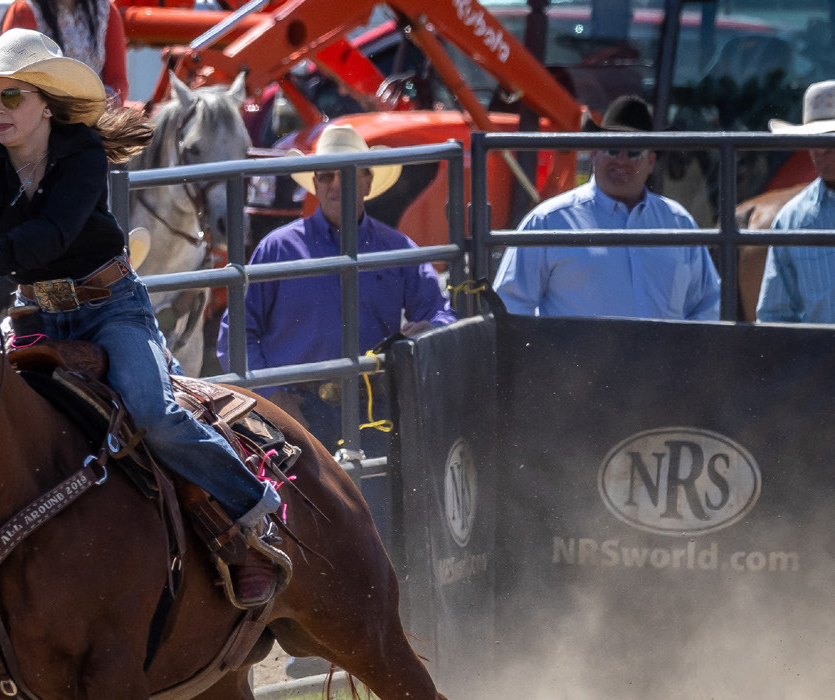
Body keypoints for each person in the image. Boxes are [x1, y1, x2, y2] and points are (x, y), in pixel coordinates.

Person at [0, 29, 289, 605]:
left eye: (12, 97)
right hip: (38, 312)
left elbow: (51, 236)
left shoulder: (82, 153)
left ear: (46, 102)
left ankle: (252, 514)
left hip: (109, 309)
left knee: (152, 410)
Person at [216, 123, 455, 484]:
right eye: (326, 176)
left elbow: (441, 313)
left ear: (367, 182)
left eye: (348, 174)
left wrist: (431, 329)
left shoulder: (398, 247)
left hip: (373, 406)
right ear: (315, 183)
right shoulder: (277, 250)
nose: (335, 185)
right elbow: (235, 333)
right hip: (296, 410)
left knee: (375, 511)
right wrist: (272, 397)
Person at [494, 96, 720, 320]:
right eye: (612, 148)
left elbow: (707, 304)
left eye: (633, 152)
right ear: (595, 153)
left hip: (662, 357)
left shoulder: (679, 223)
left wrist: (687, 353)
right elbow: (510, 303)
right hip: (578, 358)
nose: (621, 159)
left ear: (651, 161)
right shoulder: (547, 222)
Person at [757, 81, 835, 324]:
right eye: (815, 140)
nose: (821, 151)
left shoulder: (793, 218)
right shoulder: (792, 218)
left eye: (831, 141)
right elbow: (774, 316)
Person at [0, 0, 127, 102]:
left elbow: (117, 80)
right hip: (37, 121)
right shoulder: (25, 10)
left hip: (94, 117)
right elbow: (10, 83)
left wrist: (103, 106)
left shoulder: (105, 10)